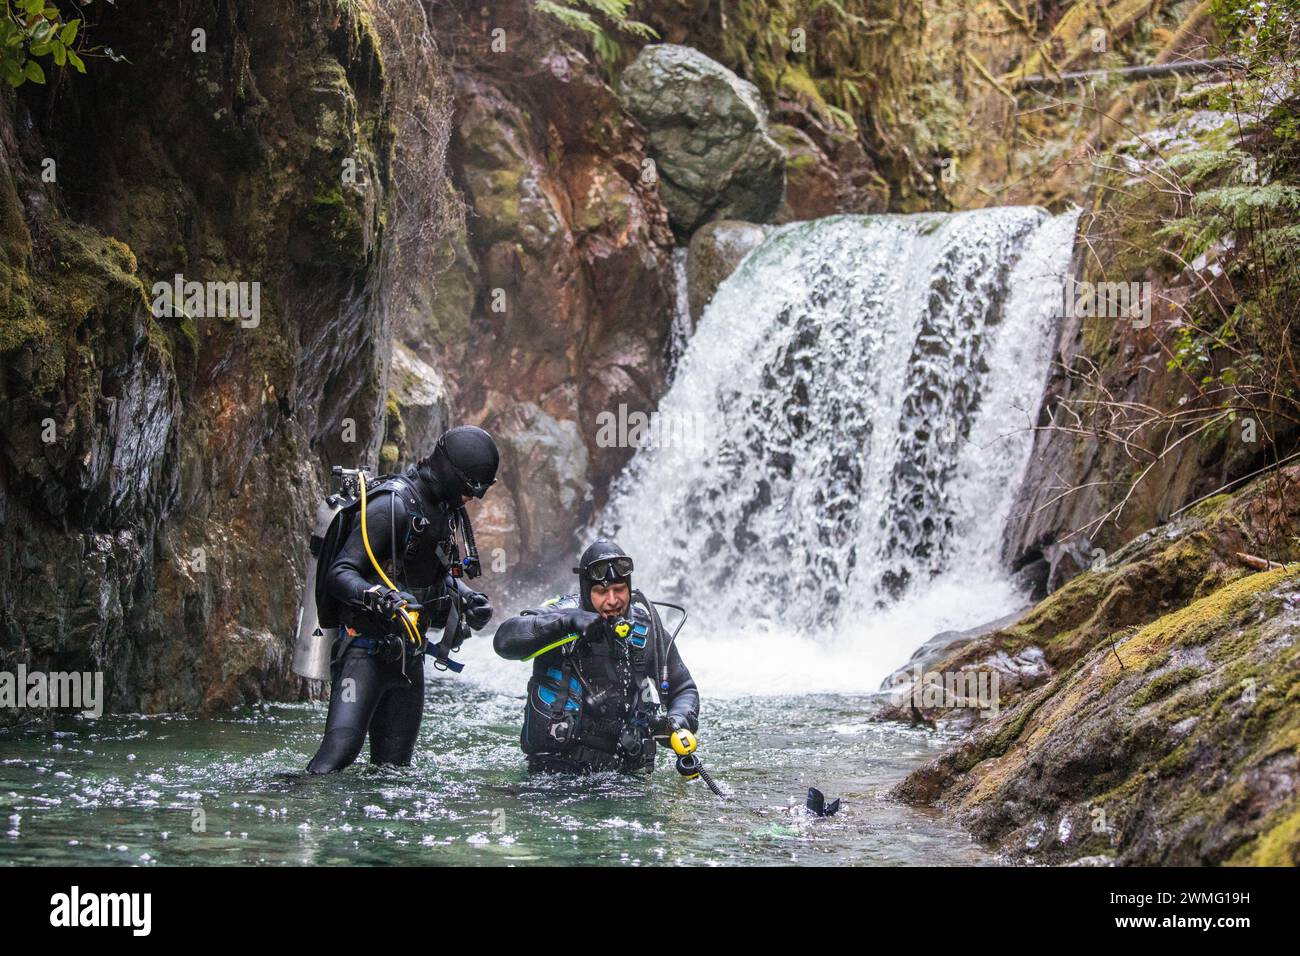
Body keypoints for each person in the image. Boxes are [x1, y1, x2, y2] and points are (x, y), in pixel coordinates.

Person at [305, 426, 498, 773]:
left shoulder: (445, 508)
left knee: (394, 771)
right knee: (337, 755)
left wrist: (467, 599)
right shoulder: (391, 506)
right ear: (452, 474)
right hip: (363, 652)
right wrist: (381, 598)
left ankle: (378, 829)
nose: (475, 499)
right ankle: (286, 807)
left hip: (409, 657)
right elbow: (340, 573)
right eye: (471, 489)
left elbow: (434, 577)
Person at [494, 539, 700, 775]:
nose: (612, 600)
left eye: (619, 589)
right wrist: (566, 622)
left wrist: (678, 720)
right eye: (601, 591)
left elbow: (684, 689)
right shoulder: (560, 617)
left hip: (623, 776)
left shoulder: (646, 629)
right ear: (585, 590)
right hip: (553, 774)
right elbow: (503, 641)